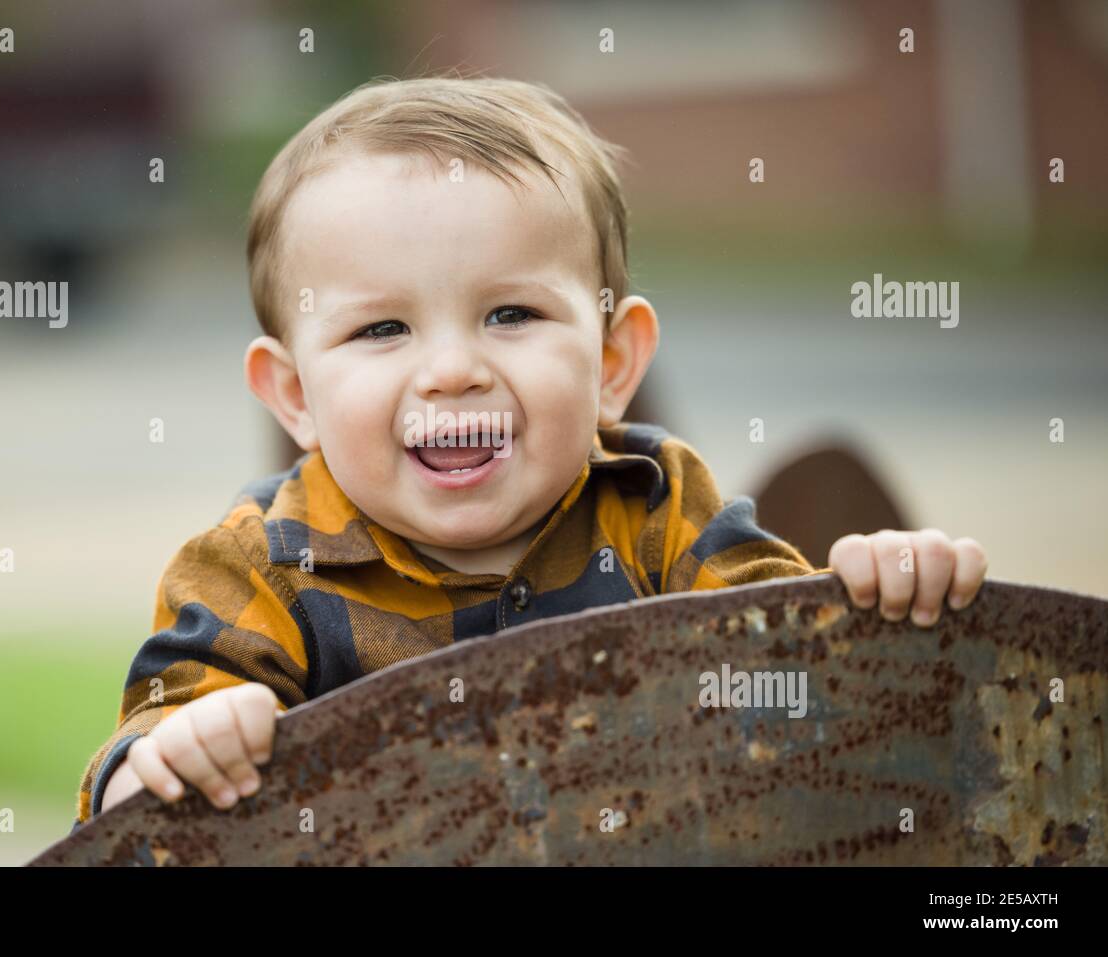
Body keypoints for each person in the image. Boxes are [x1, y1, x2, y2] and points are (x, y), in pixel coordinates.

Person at [73, 75, 987, 829]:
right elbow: (127, 795)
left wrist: (871, 603)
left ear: (613, 361)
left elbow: (800, 685)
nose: (453, 370)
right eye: (383, 327)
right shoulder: (256, 573)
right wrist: (177, 752)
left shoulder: (658, 513)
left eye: (511, 314)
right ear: (296, 396)